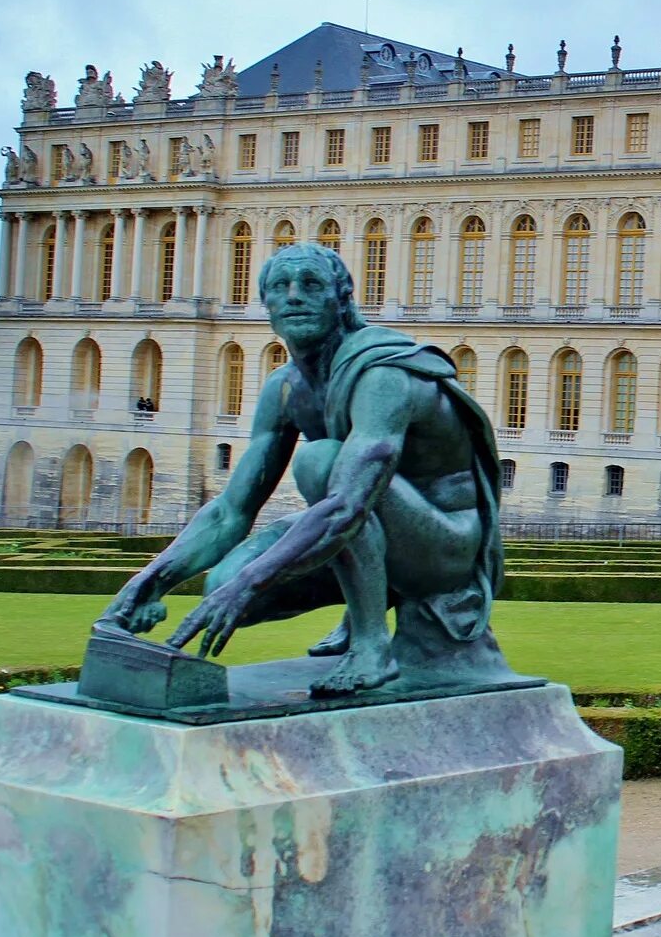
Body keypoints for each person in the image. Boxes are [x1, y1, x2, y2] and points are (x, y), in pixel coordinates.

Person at [98, 243, 507, 697]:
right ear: (266, 304)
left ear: (343, 298)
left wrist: (252, 583)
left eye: (311, 285)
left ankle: (372, 647)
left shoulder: (382, 375)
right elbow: (229, 512)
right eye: (280, 287)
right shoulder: (285, 388)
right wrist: (150, 582)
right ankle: (363, 610)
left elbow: (348, 505)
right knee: (221, 581)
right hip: (374, 523)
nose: (294, 296)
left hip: (445, 547)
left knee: (322, 462)